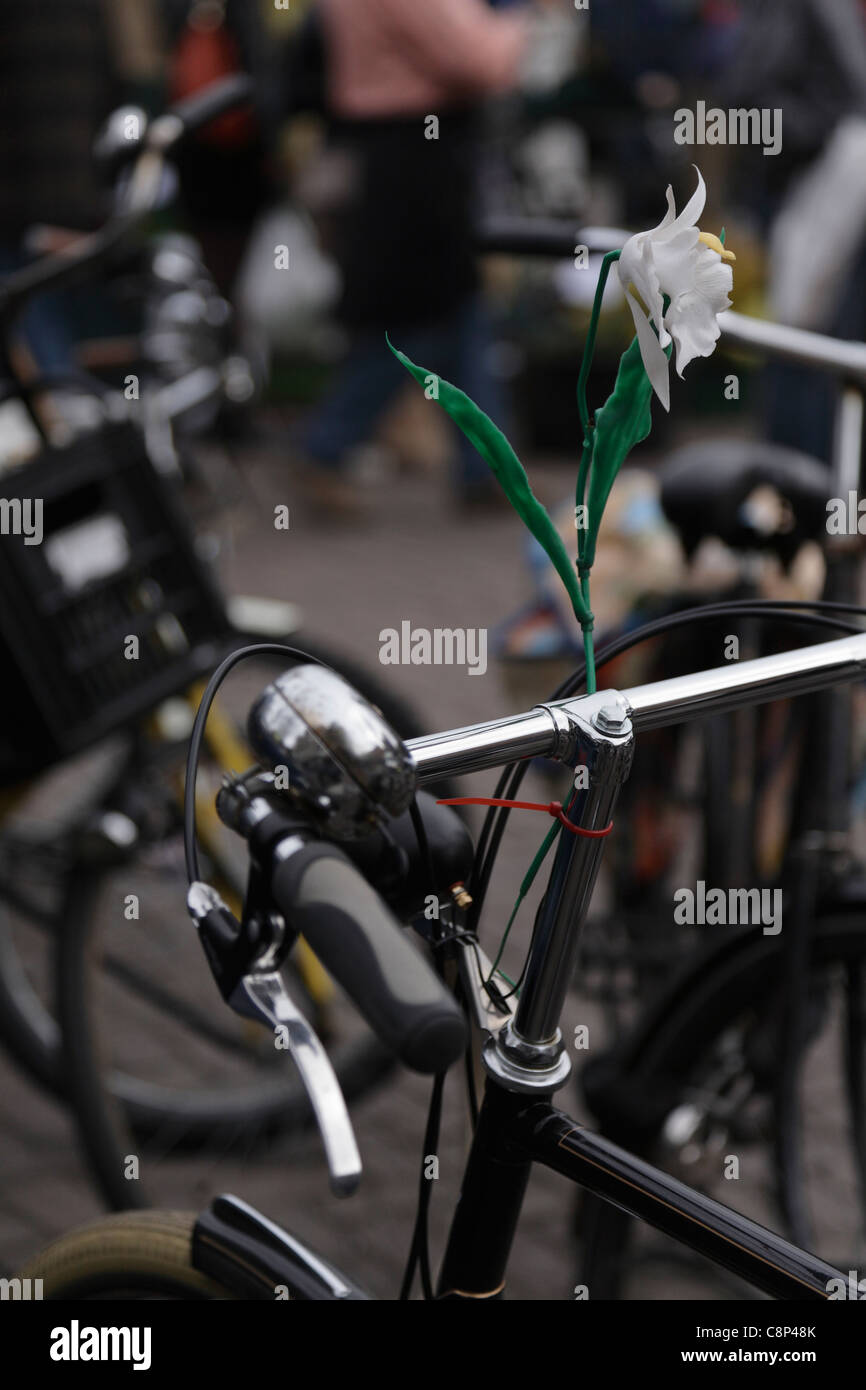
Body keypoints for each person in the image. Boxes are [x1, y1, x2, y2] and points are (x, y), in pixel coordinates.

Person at [294, 0, 531, 515]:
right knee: (414, 319)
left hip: (398, 151)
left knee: (460, 311)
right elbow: (480, 61)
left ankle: (487, 470)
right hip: (413, 158)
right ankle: (326, 448)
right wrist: (514, 18)